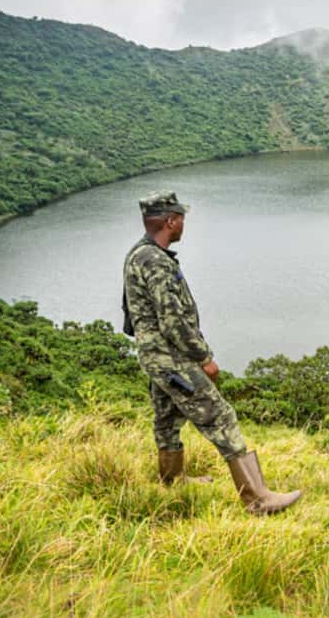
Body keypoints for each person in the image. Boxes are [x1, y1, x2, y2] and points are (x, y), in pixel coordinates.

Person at [122, 190, 301, 515]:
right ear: (170, 221)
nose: (183, 225)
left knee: (167, 418)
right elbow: (173, 321)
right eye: (181, 219)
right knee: (220, 417)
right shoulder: (156, 261)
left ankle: (172, 481)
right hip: (172, 359)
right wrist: (203, 358)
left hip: (155, 358)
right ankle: (257, 499)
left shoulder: (139, 253)